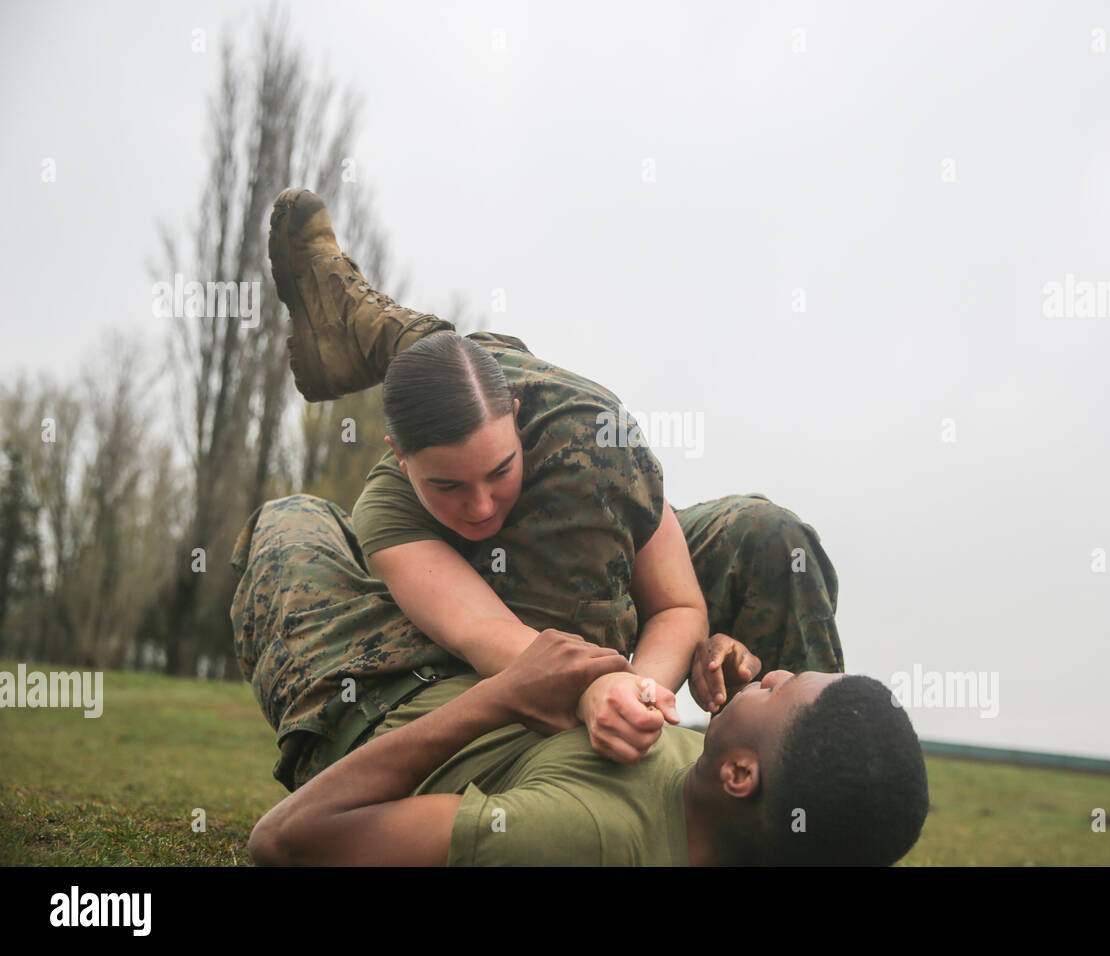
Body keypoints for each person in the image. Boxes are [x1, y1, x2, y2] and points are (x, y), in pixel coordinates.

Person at [232, 188, 844, 791]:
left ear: (519, 418)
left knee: (769, 535)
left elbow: (678, 603)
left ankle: (825, 794)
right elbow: (489, 637)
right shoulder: (388, 512)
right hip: (497, 623)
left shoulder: (593, 446)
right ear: (400, 459)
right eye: (447, 486)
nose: (478, 505)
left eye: (499, 472)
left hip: (598, 529)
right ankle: (371, 332)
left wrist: (646, 689)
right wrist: (598, 690)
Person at [247, 630, 930, 866]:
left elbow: (285, 839)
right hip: (436, 664)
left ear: (741, 776)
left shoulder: (579, 838)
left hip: (356, 698)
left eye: (781, 690)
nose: (772, 671)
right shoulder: (705, 803)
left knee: (289, 520)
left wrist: (505, 693)